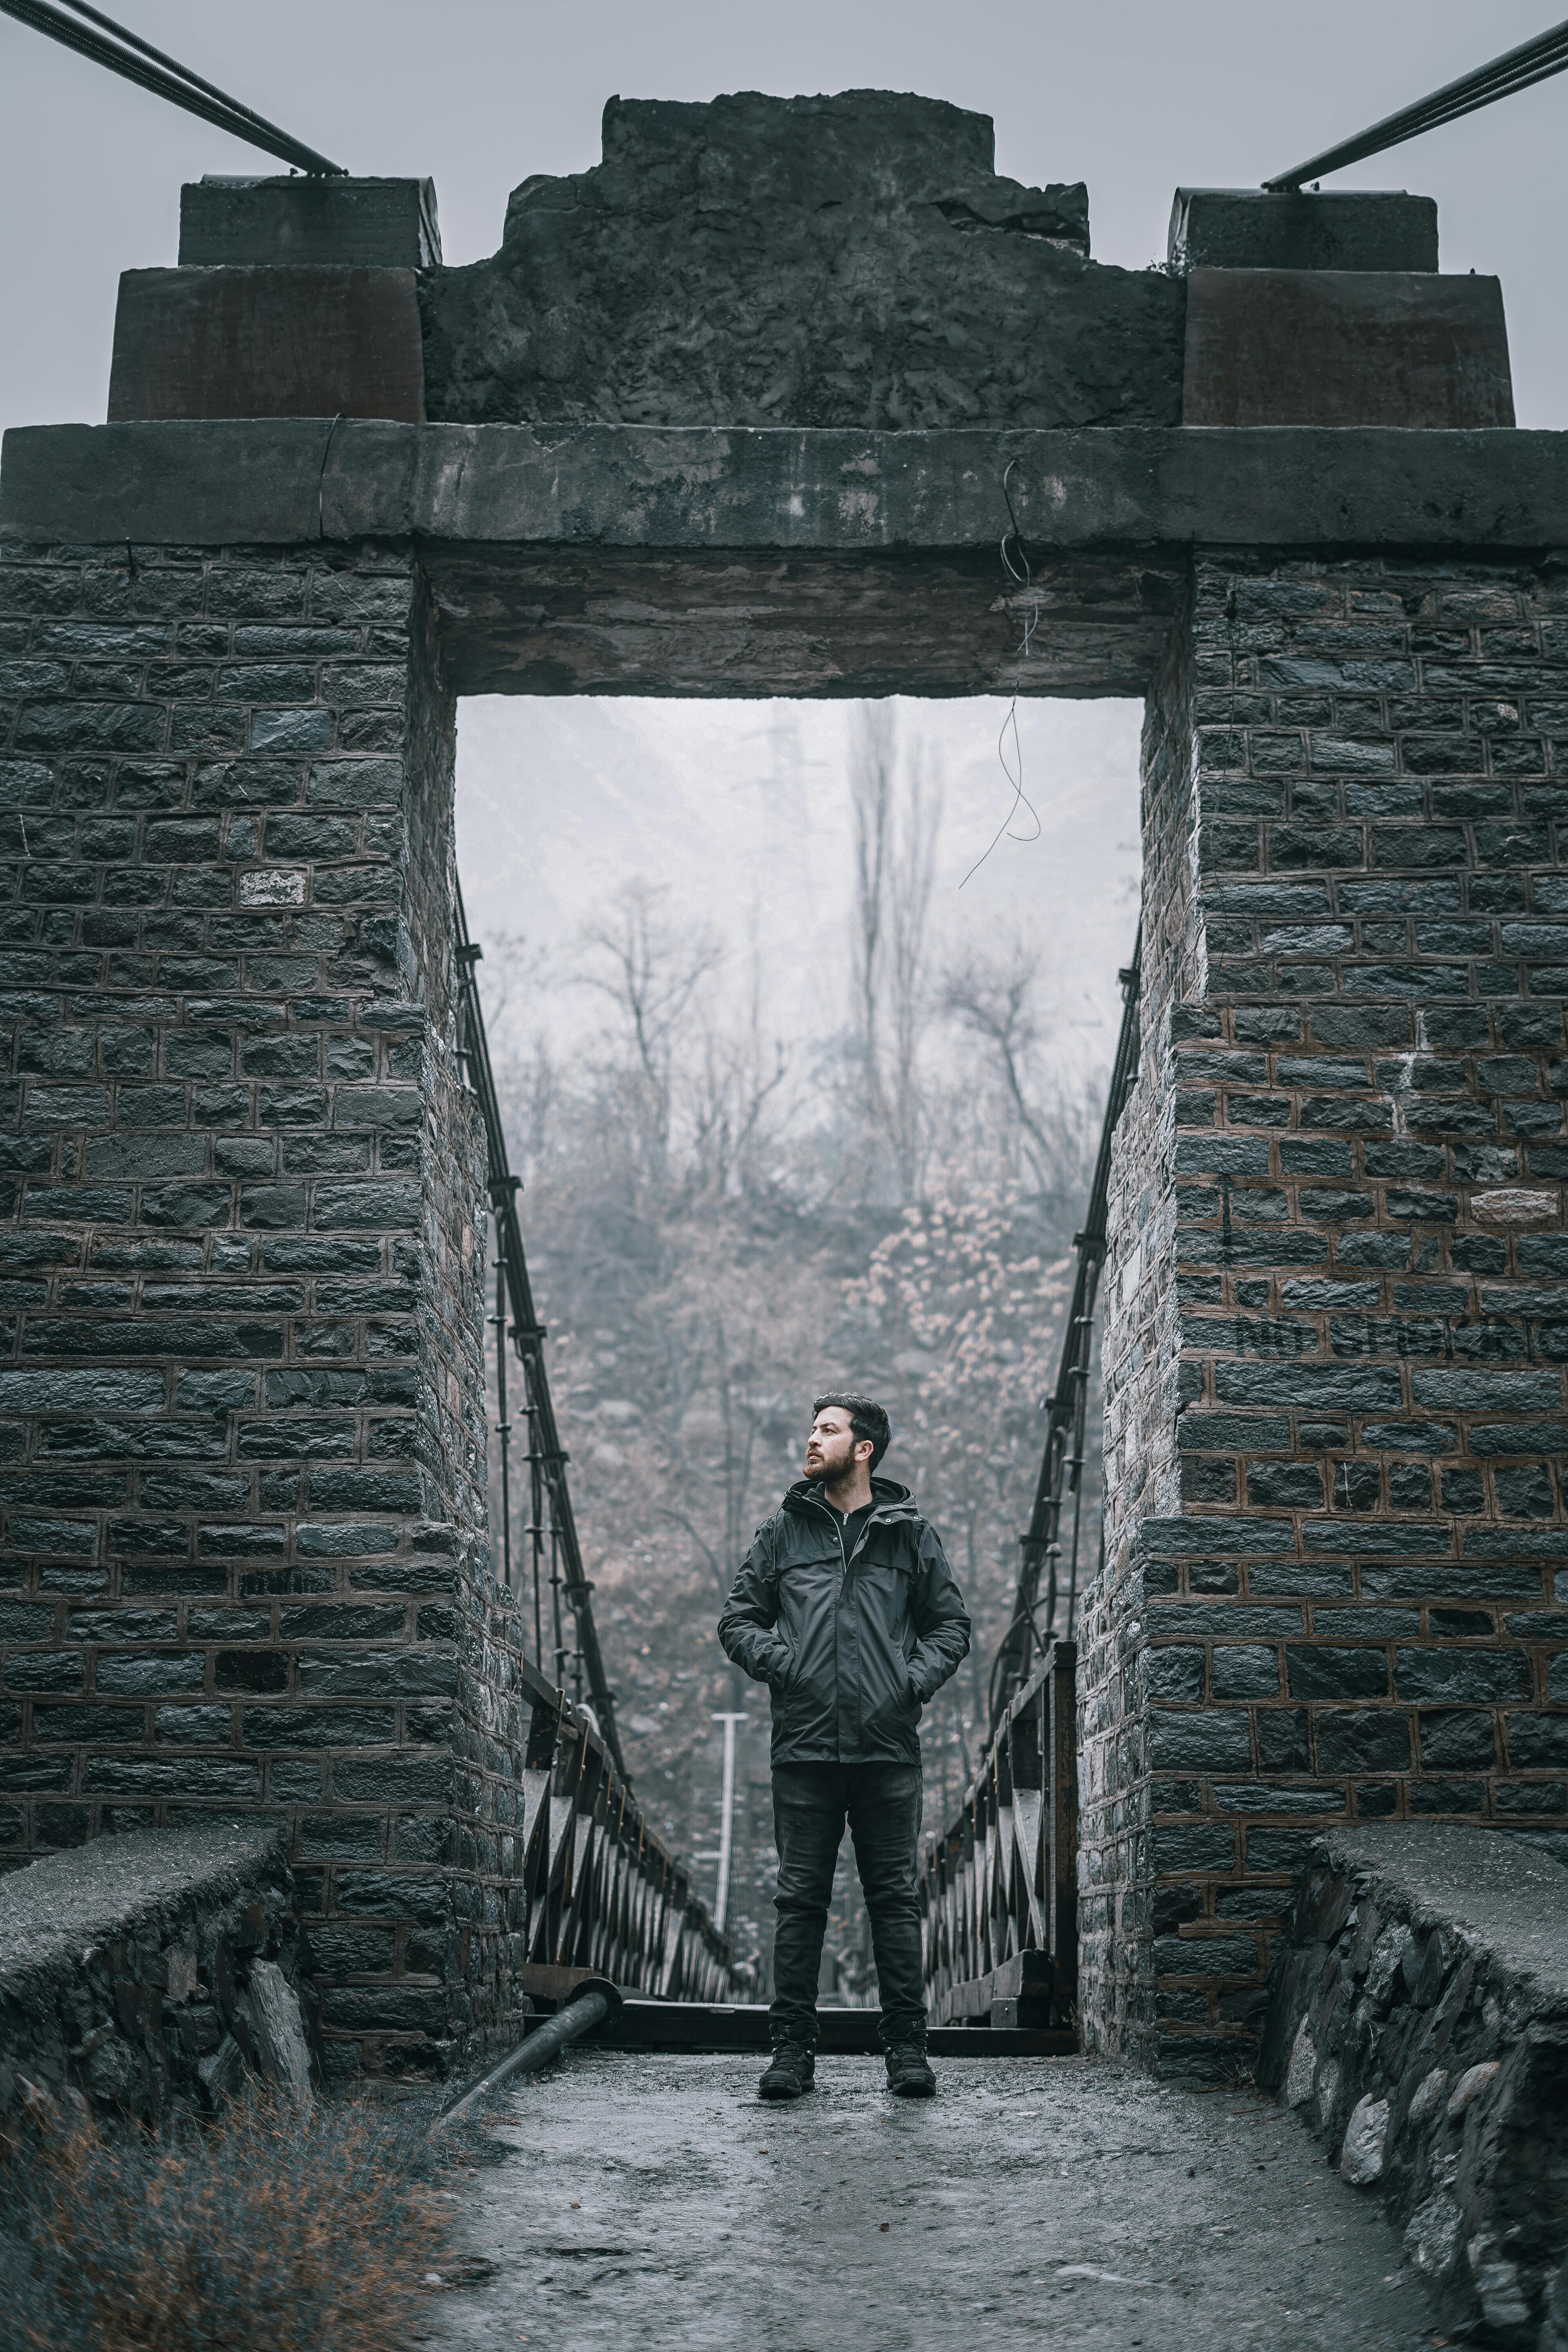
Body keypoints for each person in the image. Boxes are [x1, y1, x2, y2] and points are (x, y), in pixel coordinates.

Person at [717, 1392, 971, 2101]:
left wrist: (908, 1683)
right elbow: (738, 1620)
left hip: (887, 1748)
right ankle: (792, 2054)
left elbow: (950, 1627)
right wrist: (785, 1664)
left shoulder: (910, 1535)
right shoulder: (784, 1532)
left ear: (864, 1449)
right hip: (803, 1748)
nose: (811, 1439)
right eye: (811, 1427)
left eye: (827, 1430)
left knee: (894, 1901)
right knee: (800, 1902)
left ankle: (907, 2055)